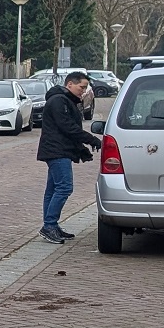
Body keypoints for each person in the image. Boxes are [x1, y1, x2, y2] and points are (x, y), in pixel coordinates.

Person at [36, 70, 97, 242]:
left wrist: (81, 149)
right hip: (57, 151)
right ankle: (49, 225)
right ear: (69, 84)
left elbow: (67, 128)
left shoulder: (64, 100)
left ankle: (51, 225)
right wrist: (91, 140)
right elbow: (67, 127)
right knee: (64, 187)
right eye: (81, 87)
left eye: (85, 88)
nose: (83, 91)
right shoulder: (59, 101)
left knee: (53, 189)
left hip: (57, 149)